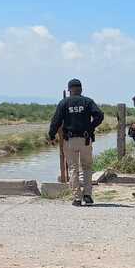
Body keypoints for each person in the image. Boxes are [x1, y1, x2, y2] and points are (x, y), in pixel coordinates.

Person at [47, 78, 104, 206]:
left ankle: (77, 198)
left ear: (69, 90)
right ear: (81, 89)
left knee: (73, 169)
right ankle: (88, 195)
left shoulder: (64, 103)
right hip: (85, 139)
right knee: (87, 167)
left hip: (69, 140)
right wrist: (90, 127)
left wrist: (51, 135)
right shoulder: (88, 101)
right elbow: (99, 115)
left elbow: (56, 121)